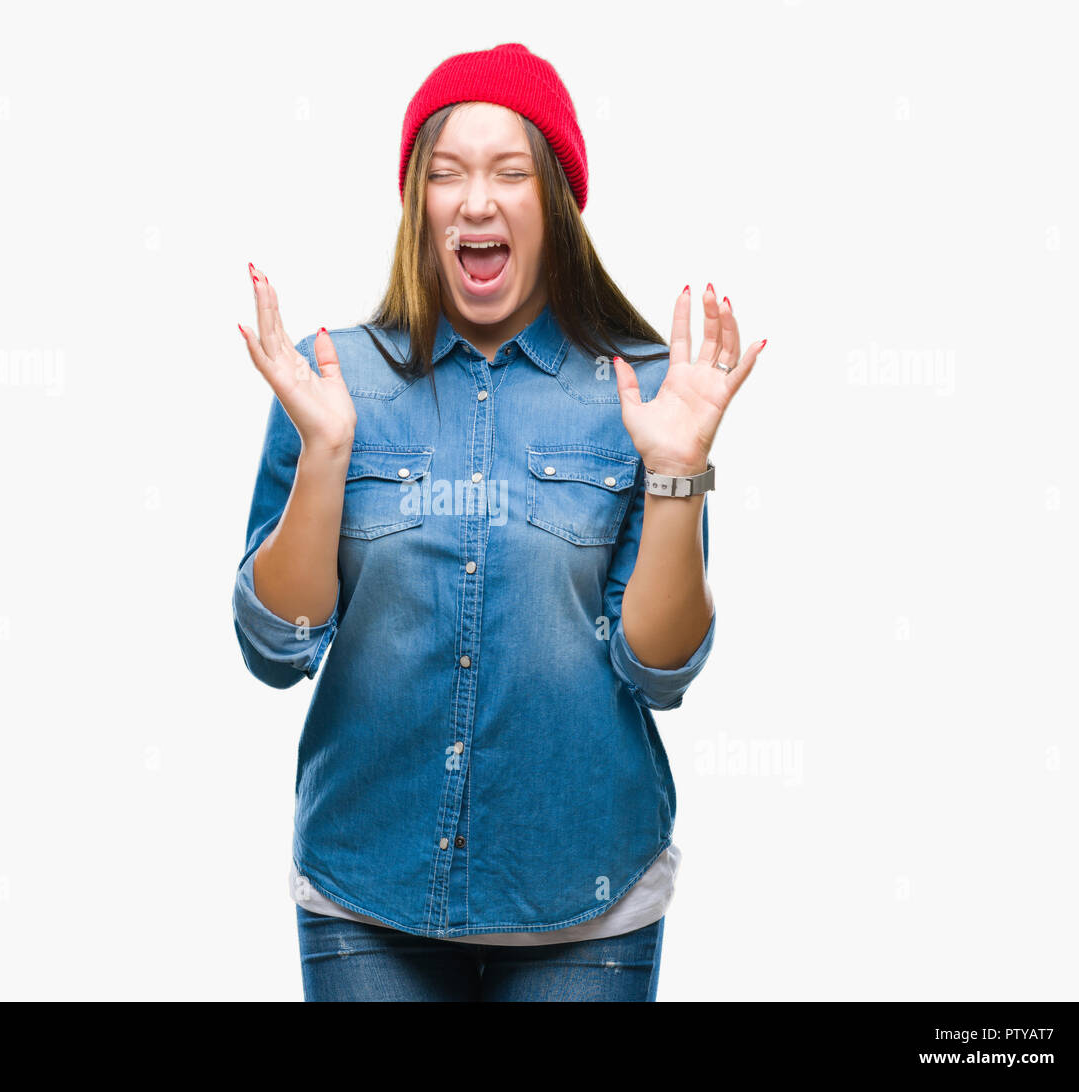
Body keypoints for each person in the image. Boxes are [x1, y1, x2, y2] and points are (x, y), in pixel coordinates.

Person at [233, 42, 766, 1002]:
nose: (476, 200)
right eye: (446, 174)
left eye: (509, 172)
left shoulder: (644, 393)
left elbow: (661, 666)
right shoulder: (331, 383)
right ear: (419, 209)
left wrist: (680, 474)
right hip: (368, 894)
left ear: (554, 203)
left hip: (585, 906)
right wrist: (322, 458)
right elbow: (276, 649)